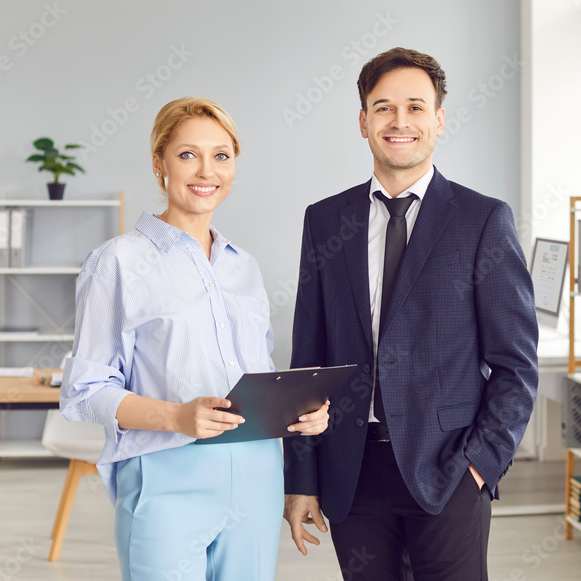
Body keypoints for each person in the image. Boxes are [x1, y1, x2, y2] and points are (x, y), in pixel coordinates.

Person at [282, 48, 539, 580]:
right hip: (351, 471)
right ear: (363, 122)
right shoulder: (326, 221)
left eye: (416, 107)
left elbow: (516, 366)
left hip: (449, 470)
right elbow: (307, 360)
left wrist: (479, 465)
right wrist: (301, 479)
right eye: (383, 108)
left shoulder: (483, 220)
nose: (400, 122)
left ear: (439, 120)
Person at [60, 96, 330, 581]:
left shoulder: (243, 266)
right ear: (159, 162)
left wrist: (298, 413)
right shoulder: (117, 262)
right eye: (188, 154)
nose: (207, 170)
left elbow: (255, 374)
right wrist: (177, 416)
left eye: (221, 156)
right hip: (165, 475)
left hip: (256, 476)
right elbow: (85, 391)